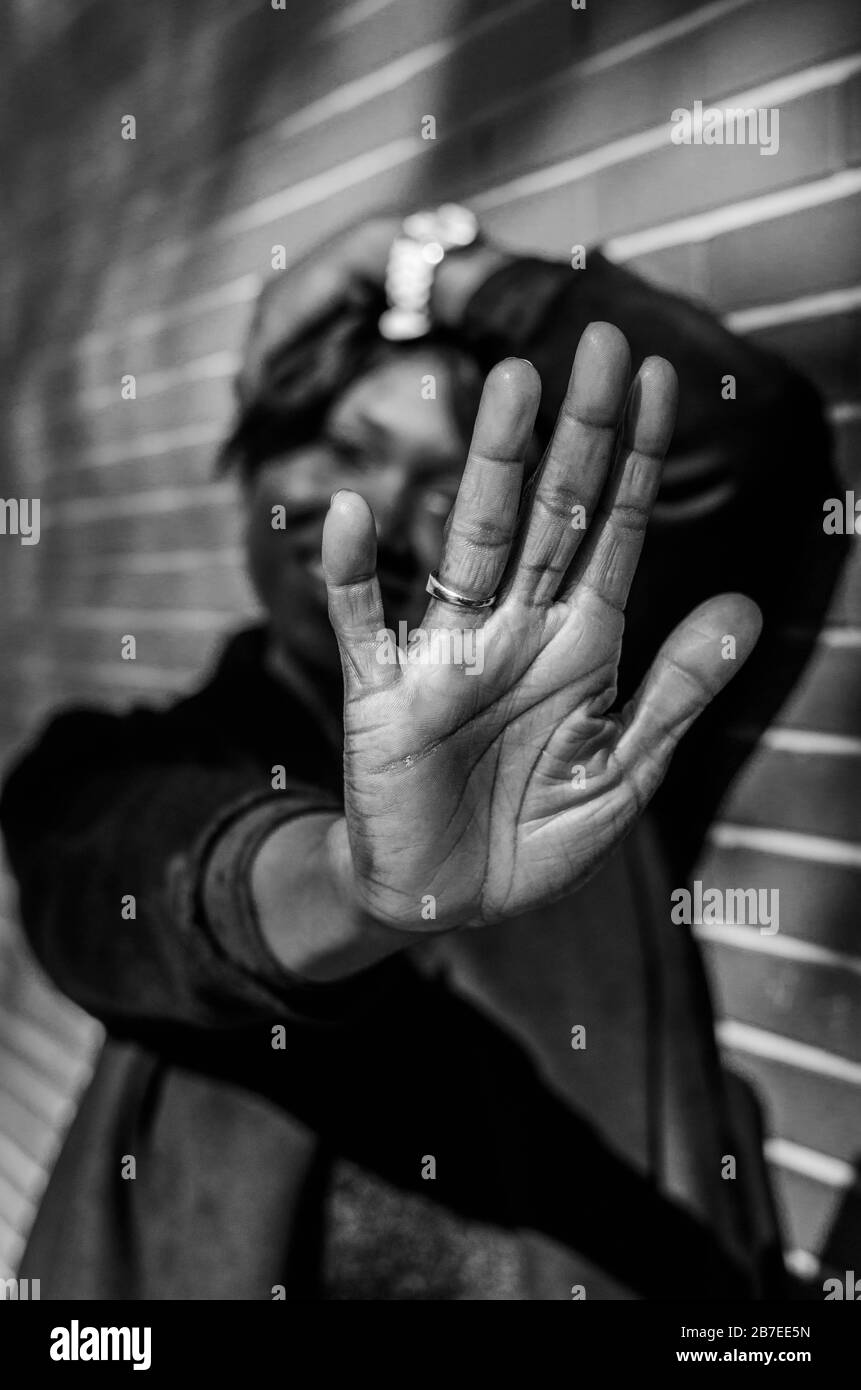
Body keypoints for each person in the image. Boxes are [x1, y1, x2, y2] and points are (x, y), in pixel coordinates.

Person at [1, 208, 844, 1300]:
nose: (382, 511)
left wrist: (430, 268)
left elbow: (744, 424)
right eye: (349, 448)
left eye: (445, 488)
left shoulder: (580, 728)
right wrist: (356, 884)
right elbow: (150, 884)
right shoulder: (112, 767)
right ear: (257, 459)